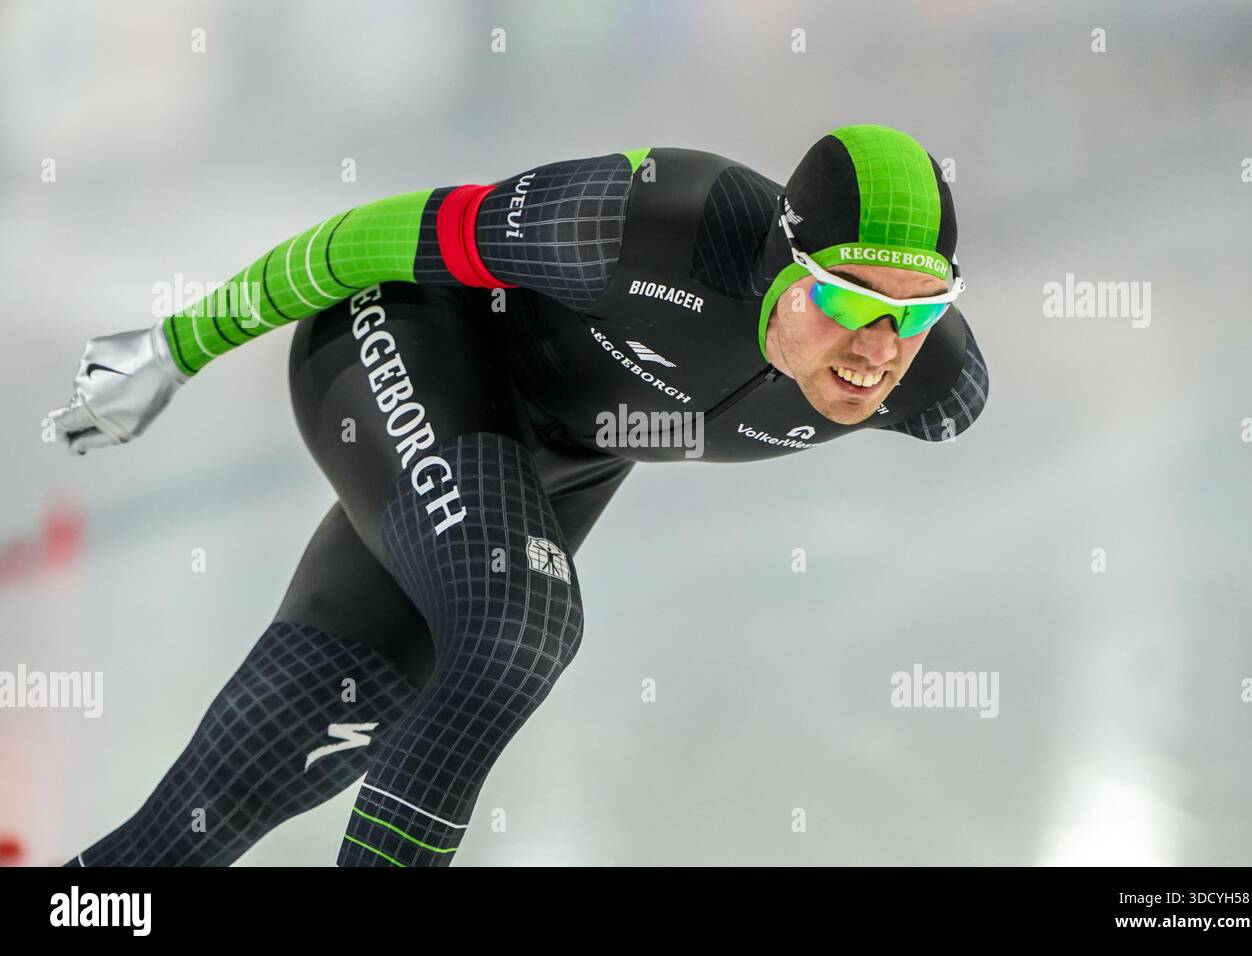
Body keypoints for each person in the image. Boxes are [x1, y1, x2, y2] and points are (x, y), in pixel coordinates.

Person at [51, 124, 989, 866]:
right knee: (517, 627)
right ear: (783, 265)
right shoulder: (640, 225)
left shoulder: (934, 384)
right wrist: (178, 348)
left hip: (552, 462)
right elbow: (361, 240)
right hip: (419, 336)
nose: (877, 349)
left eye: (914, 311)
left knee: (260, 769)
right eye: (847, 299)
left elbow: (910, 351)